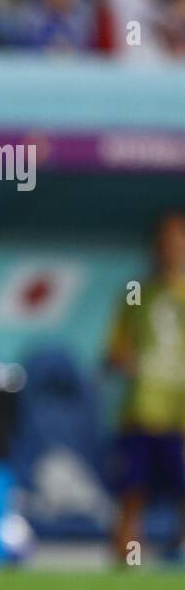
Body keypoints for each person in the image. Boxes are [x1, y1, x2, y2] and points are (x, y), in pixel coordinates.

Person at [107, 211, 185, 563]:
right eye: (165, 242)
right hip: (141, 411)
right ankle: (125, 567)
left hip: (180, 414)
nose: (171, 250)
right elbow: (116, 351)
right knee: (131, 494)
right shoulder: (137, 293)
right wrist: (127, 361)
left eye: (178, 241)